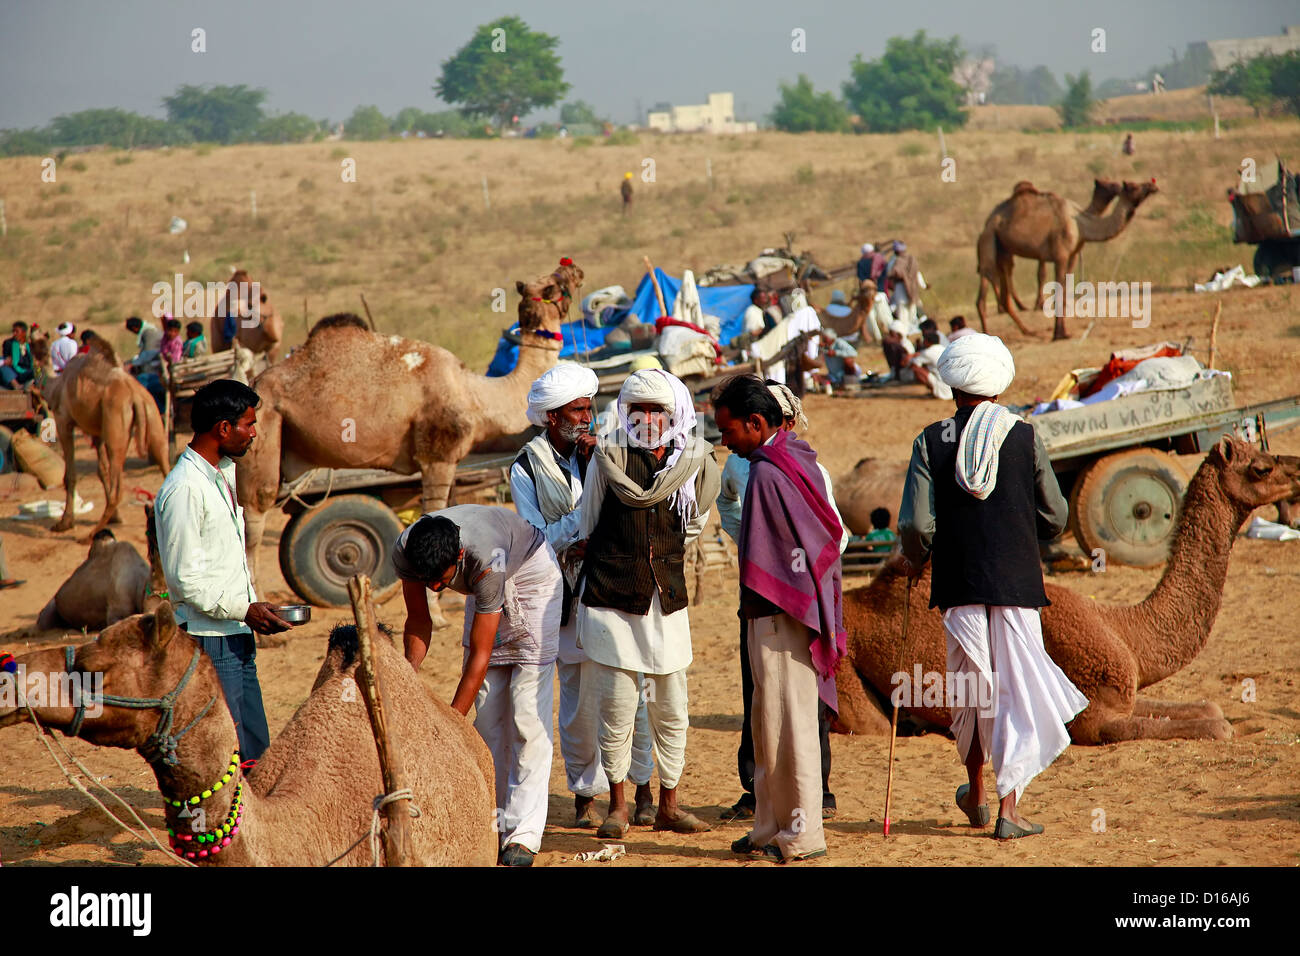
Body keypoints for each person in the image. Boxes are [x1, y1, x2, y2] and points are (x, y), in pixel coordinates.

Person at [898, 332, 1088, 839]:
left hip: (958, 585)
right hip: (1017, 585)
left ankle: (977, 795)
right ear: (998, 383)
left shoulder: (929, 440)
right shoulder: (1023, 435)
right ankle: (1010, 810)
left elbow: (917, 526)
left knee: (973, 689)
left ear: (953, 385)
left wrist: (918, 559)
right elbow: (1056, 516)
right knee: (1013, 689)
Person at [509, 364, 656, 829]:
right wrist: (580, 530)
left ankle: (644, 787)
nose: (587, 417)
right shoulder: (525, 466)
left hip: (616, 585)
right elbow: (535, 538)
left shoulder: (605, 451)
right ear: (552, 417)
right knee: (577, 701)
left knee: (631, 692)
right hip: (568, 593)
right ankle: (585, 793)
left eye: (590, 408)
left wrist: (599, 467)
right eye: (577, 410)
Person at [578, 368, 720, 839]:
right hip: (611, 599)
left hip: (666, 600)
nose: (647, 417)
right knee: (616, 707)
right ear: (625, 412)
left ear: (675, 411)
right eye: (637, 408)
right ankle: (618, 806)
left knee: (672, 709)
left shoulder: (696, 459)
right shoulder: (606, 456)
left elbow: (694, 522)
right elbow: (587, 523)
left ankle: (668, 804)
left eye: (656, 409)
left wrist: (663, 553)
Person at [712, 375, 846, 863]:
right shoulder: (793, 456)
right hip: (783, 613)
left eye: (728, 430)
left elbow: (802, 547)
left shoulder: (770, 473)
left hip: (780, 617)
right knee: (769, 725)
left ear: (756, 422)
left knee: (789, 729)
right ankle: (768, 827)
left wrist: (770, 601)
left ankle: (802, 837)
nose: (724, 440)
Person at [392, 504, 562, 867]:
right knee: (485, 721)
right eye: (428, 581)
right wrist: (407, 679)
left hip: (532, 577)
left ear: (458, 555)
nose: (436, 588)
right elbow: (419, 619)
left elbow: (479, 657)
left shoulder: (486, 558)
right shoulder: (409, 551)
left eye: (441, 579)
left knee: (527, 719)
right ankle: (494, 824)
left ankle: (523, 836)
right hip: (484, 589)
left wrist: (450, 723)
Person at [154, 380, 292, 764]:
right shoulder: (184, 489)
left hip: (234, 632)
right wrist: (244, 609)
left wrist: (250, 610)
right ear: (223, 429)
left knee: (254, 751)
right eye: (249, 424)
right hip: (209, 639)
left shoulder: (221, 475)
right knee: (222, 753)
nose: (254, 433)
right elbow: (185, 581)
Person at [125, 316, 164, 410]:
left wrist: (132, 364)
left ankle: (158, 408)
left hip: (156, 366)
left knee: (142, 382)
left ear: (135, 328)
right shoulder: (149, 331)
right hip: (156, 362)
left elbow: (148, 354)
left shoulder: (149, 333)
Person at [909, 329, 953, 400]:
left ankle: (934, 391)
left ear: (927, 341)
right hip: (952, 388)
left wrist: (915, 354)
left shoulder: (928, 352)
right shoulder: (944, 348)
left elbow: (913, 364)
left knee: (916, 368)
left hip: (943, 389)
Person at [885, 240, 922, 327]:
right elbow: (917, 273)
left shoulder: (898, 260)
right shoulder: (912, 259)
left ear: (896, 251)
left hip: (901, 288)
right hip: (912, 289)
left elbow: (893, 272)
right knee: (912, 311)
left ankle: (904, 332)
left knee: (902, 312)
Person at [1, 321, 33, 390]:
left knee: (40, 370)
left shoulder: (30, 345)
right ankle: (16, 385)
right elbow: (6, 358)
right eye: (13, 331)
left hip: (28, 371)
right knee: (2, 363)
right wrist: (7, 361)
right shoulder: (8, 343)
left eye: (17, 331)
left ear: (24, 333)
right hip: (14, 372)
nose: (14, 334)